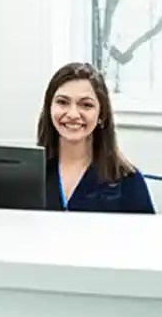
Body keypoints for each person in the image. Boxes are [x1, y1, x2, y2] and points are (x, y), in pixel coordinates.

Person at [37, 62, 155, 214]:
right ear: (49, 108)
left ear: (101, 114)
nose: (73, 114)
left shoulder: (128, 181)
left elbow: (148, 237)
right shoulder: (29, 175)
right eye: (62, 102)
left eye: (86, 105)